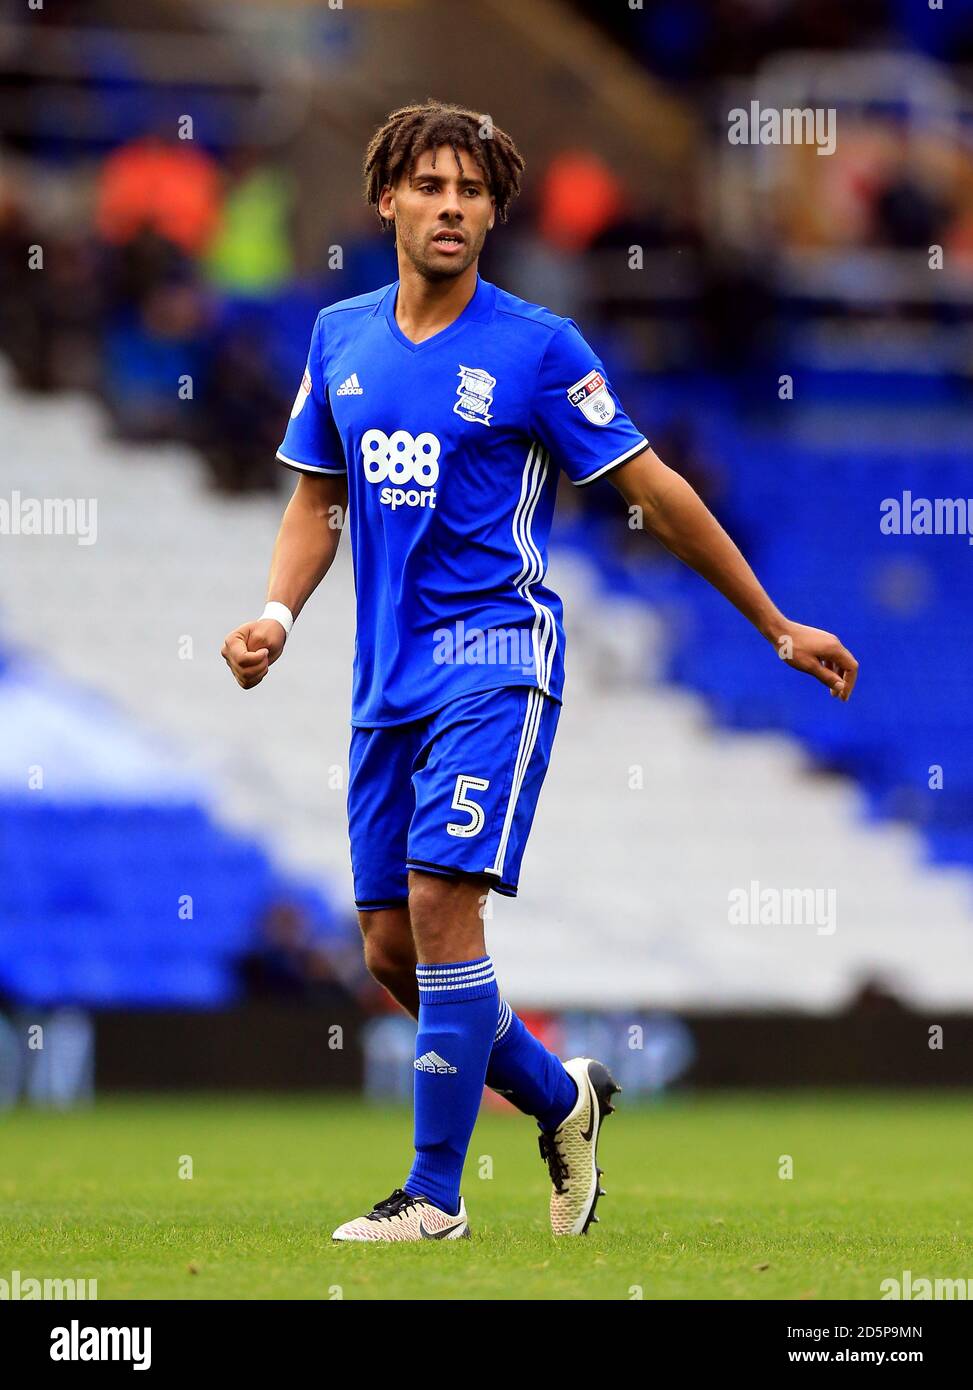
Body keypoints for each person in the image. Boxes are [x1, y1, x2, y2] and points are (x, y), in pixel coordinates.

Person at [221, 100, 858, 1242]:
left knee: (438, 904)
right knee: (387, 949)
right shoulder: (340, 338)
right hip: (385, 680)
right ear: (388, 200)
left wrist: (771, 621)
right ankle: (563, 1097)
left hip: (496, 659)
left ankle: (433, 1194)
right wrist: (275, 613)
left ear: (495, 212)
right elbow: (314, 502)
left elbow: (652, 489)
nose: (451, 205)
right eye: (430, 185)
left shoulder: (537, 346)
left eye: (472, 190)